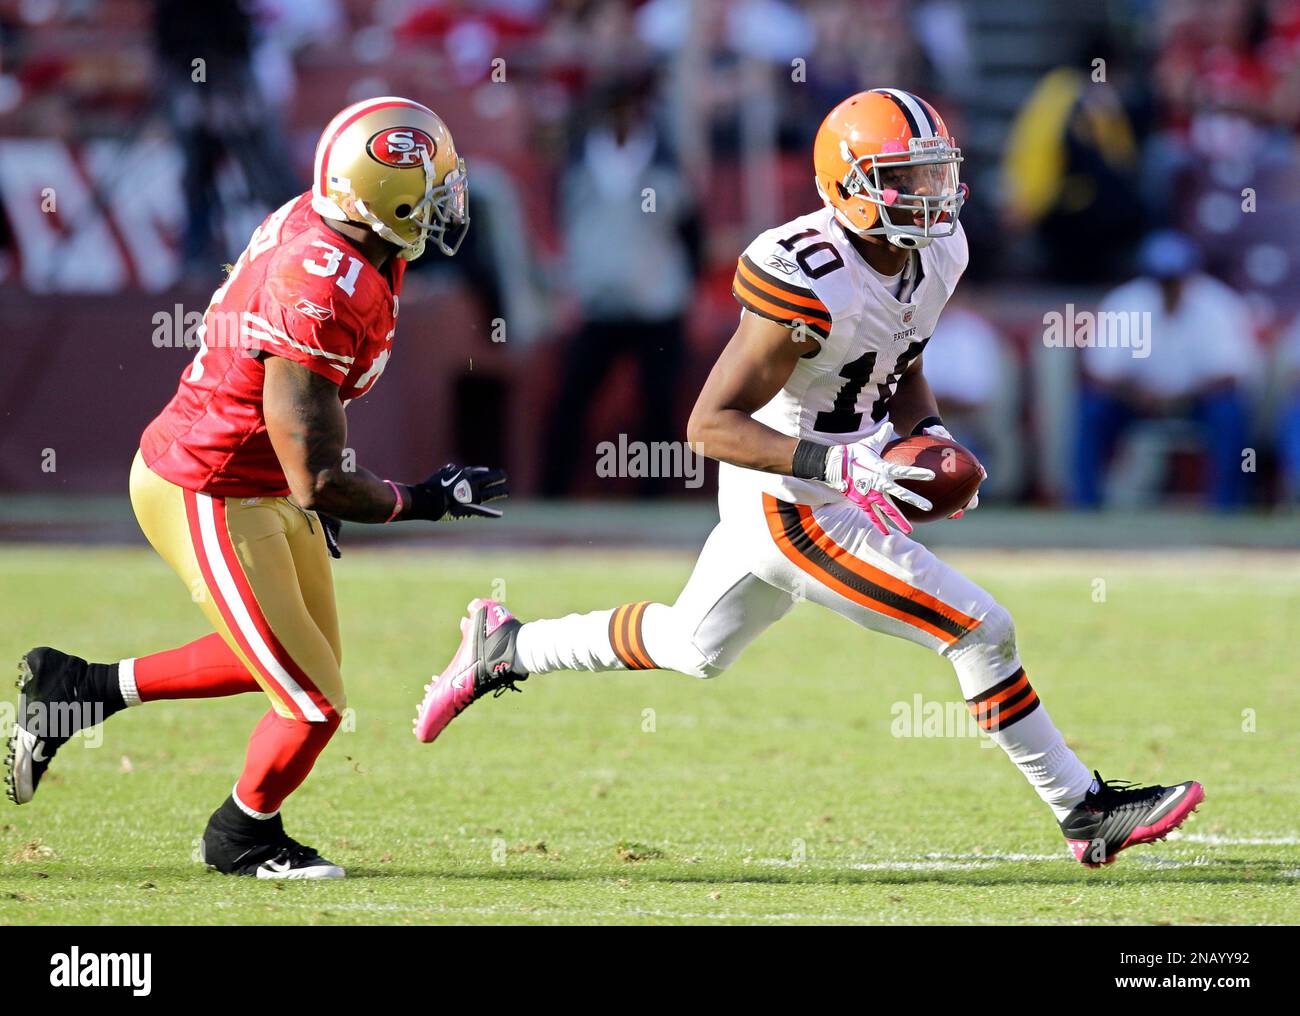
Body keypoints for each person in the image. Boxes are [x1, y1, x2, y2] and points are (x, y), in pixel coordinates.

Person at [415, 90, 1204, 868]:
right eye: (906, 179)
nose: (930, 198)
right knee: (979, 628)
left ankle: (508, 646)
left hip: (847, 472)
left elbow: (902, 344)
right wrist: (842, 464)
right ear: (851, 188)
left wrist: (923, 431)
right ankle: (1083, 807)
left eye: (936, 175)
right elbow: (708, 424)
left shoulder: (939, 250)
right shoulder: (805, 273)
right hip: (791, 496)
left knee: (694, 646)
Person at [5, 97, 508, 879]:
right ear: (384, 198)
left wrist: (327, 481)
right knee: (313, 703)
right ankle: (242, 837)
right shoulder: (324, 281)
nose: (448, 202)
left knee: (278, 661)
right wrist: (424, 498)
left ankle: (77, 688)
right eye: (432, 189)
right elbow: (315, 475)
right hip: (210, 485)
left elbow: (312, 432)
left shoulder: (350, 233)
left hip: (263, 475)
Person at [1073, 231, 1257, 510]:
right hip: (1136, 401)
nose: (1169, 288)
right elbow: (1099, 371)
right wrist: (1137, 393)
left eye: (1175, 279)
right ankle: (1084, 506)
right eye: (1162, 280)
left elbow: (1233, 371)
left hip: (1197, 401)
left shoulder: (1218, 305)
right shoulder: (1127, 301)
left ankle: (1226, 507)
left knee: (1229, 412)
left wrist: (1184, 396)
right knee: (1093, 409)